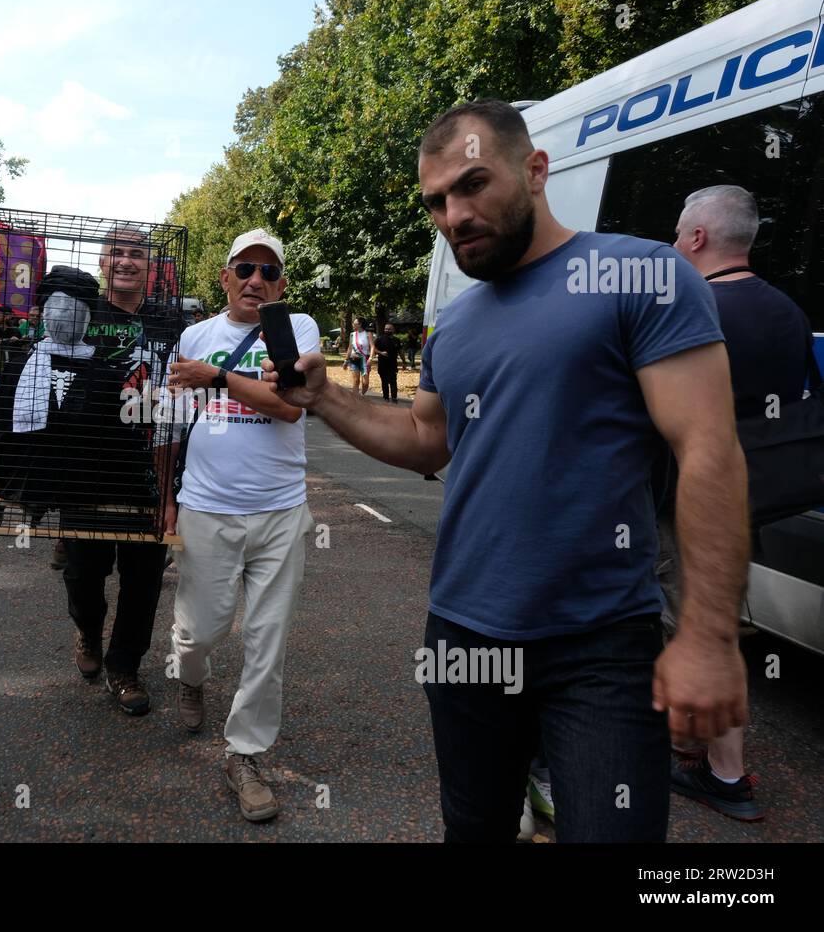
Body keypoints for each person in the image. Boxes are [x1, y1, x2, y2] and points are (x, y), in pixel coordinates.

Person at [266, 99, 748, 842]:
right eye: (436, 202)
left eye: (473, 184)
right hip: (464, 632)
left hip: (601, 642)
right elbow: (427, 440)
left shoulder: (641, 274)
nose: (454, 215)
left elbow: (709, 450)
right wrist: (325, 396)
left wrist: (709, 639)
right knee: (476, 828)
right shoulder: (455, 324)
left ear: (535, 170)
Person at [661, 184, 816, 822]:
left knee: (698, 626)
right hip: (755, 495)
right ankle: (693, 743)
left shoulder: (690, 308)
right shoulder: (787, 310)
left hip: (690, 498)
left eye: (677, 234)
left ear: (697, 238)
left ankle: (724, 774)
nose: (671, 246)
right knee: (720, 616)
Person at [165, 228, 318, 822]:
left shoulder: (295, 329)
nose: (257, 280)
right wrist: (167, 497)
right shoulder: (195, 335)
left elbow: (290, 406)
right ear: (225, 277)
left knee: (267, 638)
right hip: (206, 505)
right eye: (244, 269)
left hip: (280, 510)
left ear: (282, 283)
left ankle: (245, 755)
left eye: (269, 271)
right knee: (199, 631)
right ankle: (192, 676)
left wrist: (221, 378)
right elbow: (174, 420)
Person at [61, 223, 180, 716]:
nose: (127, 260)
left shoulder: (170, 324)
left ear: (150, 266)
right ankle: (88, 629)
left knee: (143, 581)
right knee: (83, 578)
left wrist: (172, 491)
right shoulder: (77, 318)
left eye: (137, 253)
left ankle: (124, 666)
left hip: (148, 471)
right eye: (117, 252)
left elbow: (183, 401)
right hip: (85, 469)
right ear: (103, 262)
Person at [344, 318, 372, 393]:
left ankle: (362, 396)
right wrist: (346, 361)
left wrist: (371, 358)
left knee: (365, 383)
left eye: (354, 323)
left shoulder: (368, 334)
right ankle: (355, 400)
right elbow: (350, 348)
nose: (353, 324)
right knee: (356, 381)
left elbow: (372, 347)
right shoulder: (352, 335)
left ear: (360, 324)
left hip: (365, 360)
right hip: (354, 360)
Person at [375, 322, 399, 401]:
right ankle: (386, 397)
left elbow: (401, 351)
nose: (387, 330)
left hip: (393, 364)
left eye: (389, 329)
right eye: (386, 329)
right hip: (382, 364)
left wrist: (404, 362)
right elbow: (373, 349)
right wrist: (381, 352)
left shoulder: (396, 340)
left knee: (393, 381)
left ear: (393, 330)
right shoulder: (379, 339)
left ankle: (394, 397)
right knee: (384, 381)